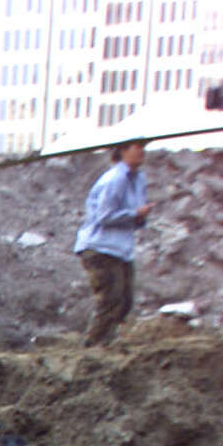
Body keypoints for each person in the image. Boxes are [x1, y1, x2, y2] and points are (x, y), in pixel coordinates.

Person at [73, 140, 150, 346]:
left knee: (125, 301)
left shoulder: (137, 179)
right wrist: (135, 214)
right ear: (123, 150)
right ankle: (92, 348)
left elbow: (134, 216)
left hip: (120, 249)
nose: (142, 151)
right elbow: (104, 216)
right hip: (100, 247)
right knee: (110, 299)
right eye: (138, 146)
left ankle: (107, 343)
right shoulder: (115, 179)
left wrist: (139, 217)